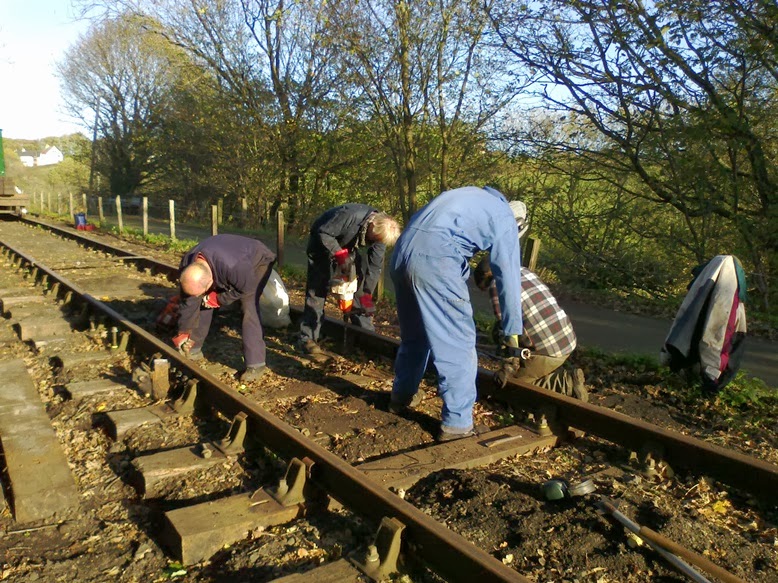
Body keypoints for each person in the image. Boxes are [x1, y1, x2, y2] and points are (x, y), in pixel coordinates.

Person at [389, 186, 524, 442]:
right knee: (458, 344)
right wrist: (512, 331)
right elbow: (507, 275)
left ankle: (400, 397)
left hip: (401, 252)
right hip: (436, 259)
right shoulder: (504, 216)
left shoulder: (466, 195)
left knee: (415, 337)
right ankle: (457, 425)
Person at [474, 258, 587, 401]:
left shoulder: (497, 285)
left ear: (486, 278)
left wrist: (508, 368)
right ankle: (544, 370)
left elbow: (509, 330)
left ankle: (564, 383)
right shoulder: (523, 271)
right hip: (567, 339)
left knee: (514, 386)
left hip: (550, 352)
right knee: (498, 330)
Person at [298, 204, 402, 354]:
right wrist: (340, 256)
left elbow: (373, 269)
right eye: (374, 239)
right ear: (372, 226)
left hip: (348, 248)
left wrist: (367, 297)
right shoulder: (350, 216)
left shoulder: (380, 235)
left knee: (358, 289)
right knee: (317, 291)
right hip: (322, 245)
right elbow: (324, 233)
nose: (375, 243)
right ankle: (308, 338)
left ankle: (367, 339)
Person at [172, 234, 276, 382]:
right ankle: (193, 347)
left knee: (249, 307)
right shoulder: (187, 264)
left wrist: (219, 299)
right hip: (223, 261)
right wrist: (184, 331)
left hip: (257, 261)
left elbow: (246, 288)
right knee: (203, 302)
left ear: (210, 282)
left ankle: (256, 364)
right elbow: (188, 301)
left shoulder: (234, 266)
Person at [660, 254, 747, 394]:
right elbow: (718, 333)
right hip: (708, 365)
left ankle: (692, 374)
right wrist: (712, 377)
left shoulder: (708, 285)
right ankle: (700, 379)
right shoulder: (727, 290)